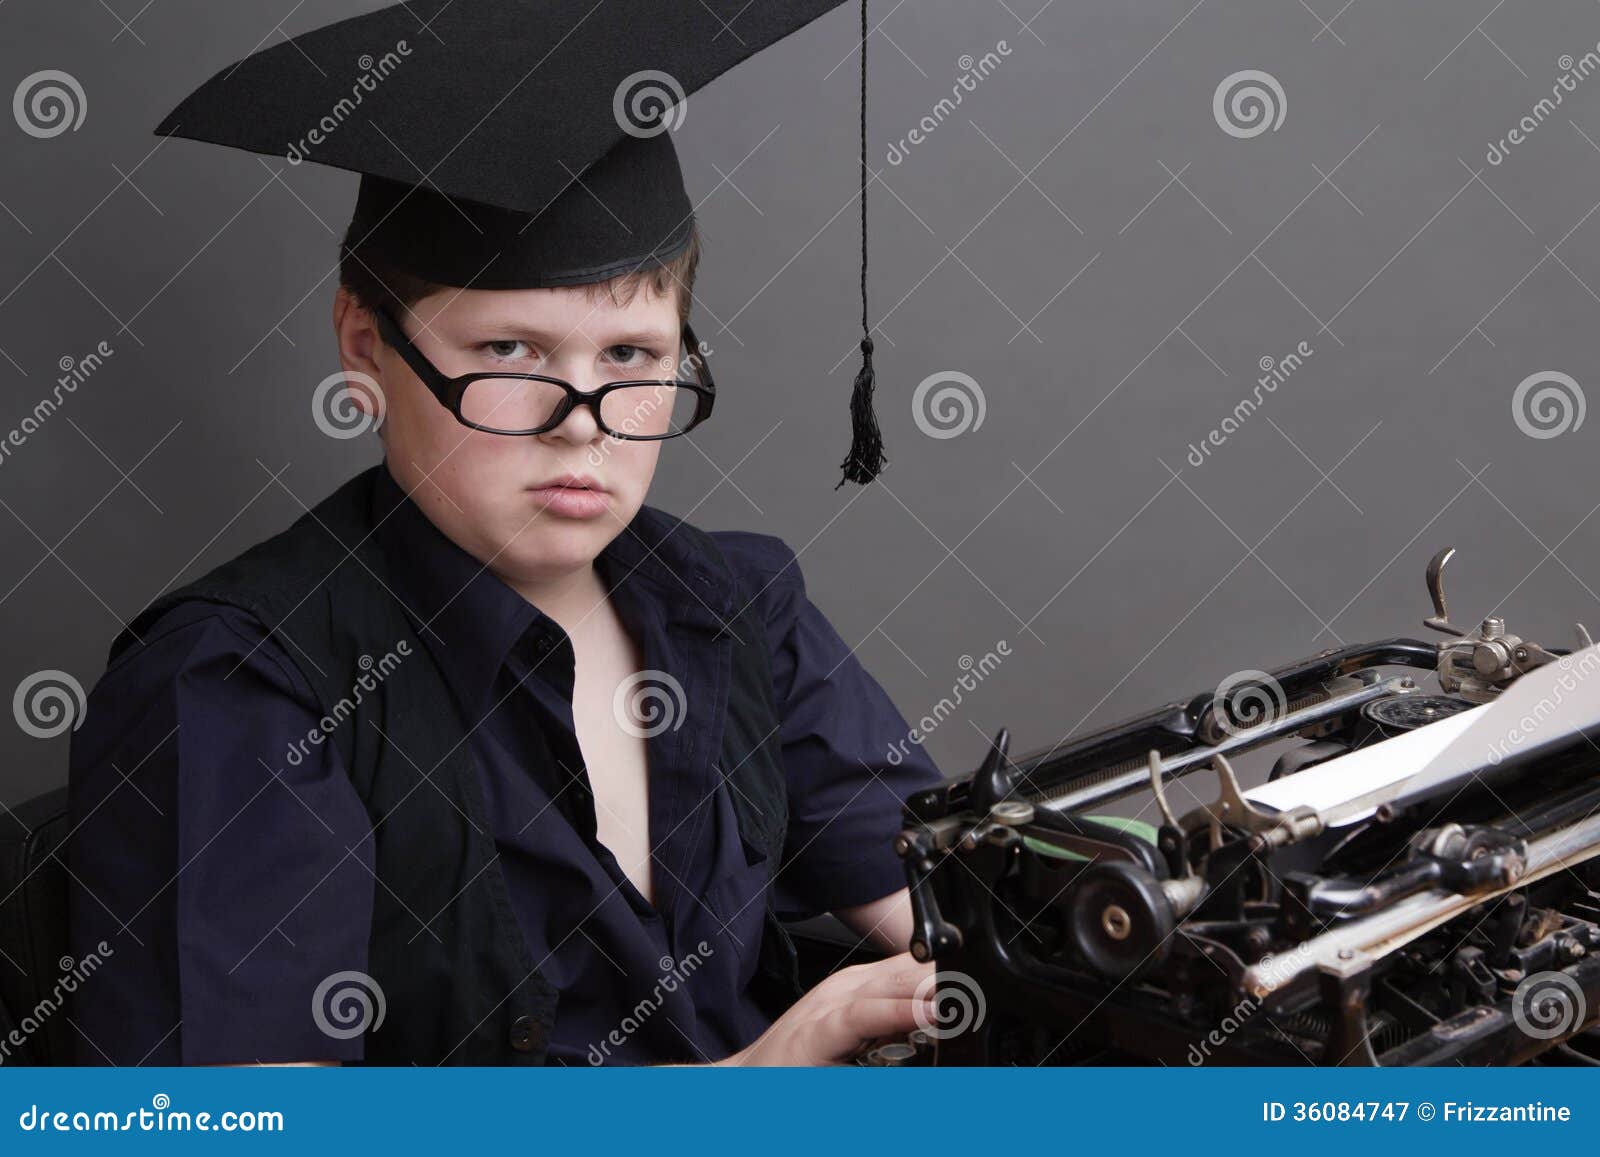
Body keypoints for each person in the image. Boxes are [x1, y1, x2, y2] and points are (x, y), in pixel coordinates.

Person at [66, 0, 946, 1066]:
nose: (584, 432)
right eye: (512, 353)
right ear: (364, 347)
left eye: (630, 357)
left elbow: (953, 909)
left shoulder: (732, 603)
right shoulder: (235, 687)